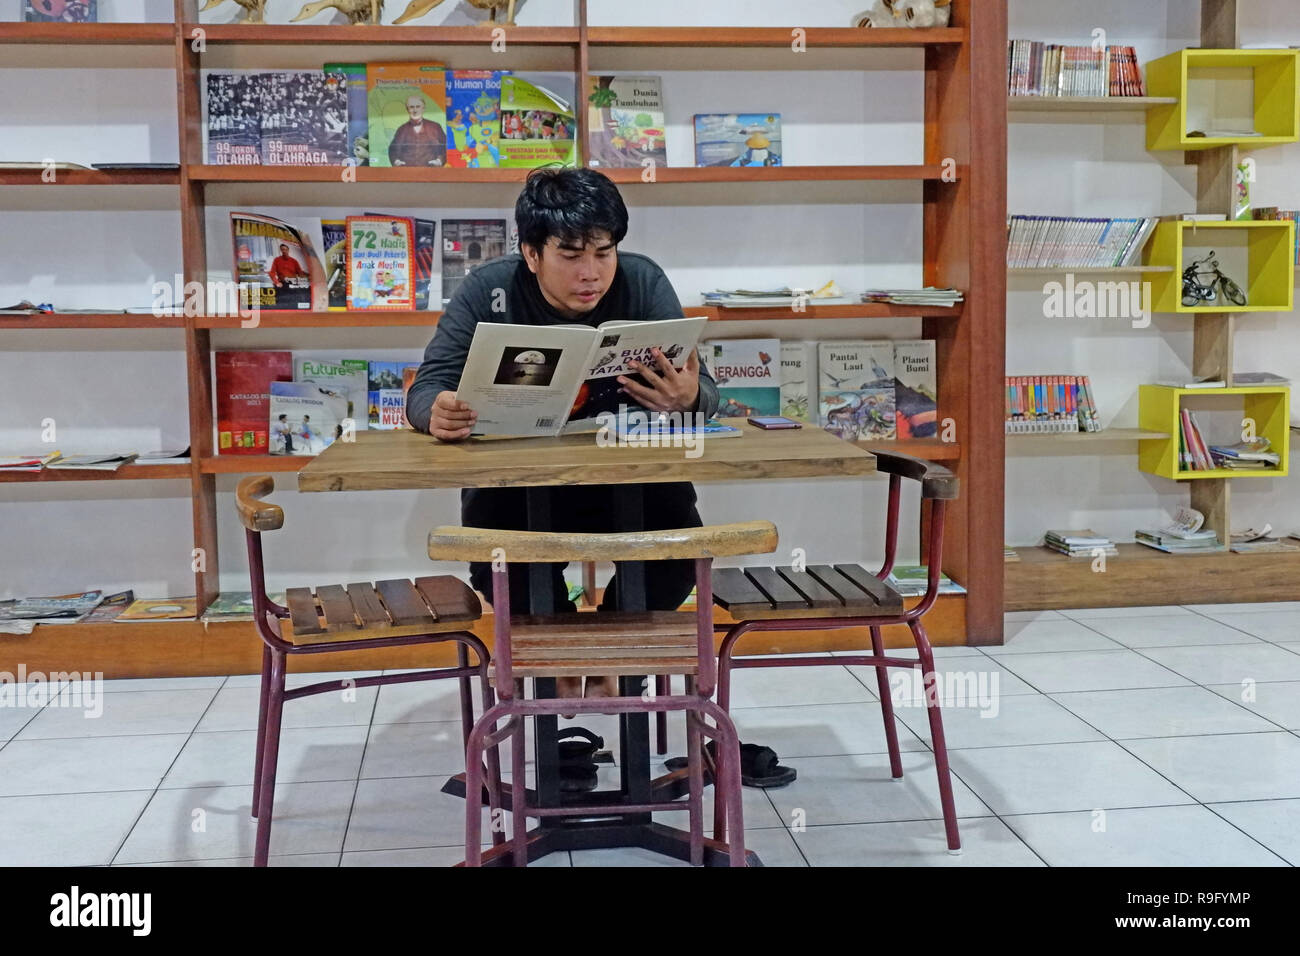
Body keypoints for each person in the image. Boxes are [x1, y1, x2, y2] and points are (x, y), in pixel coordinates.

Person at [407, 168, 719, 704]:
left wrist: (688, 398)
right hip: (517, 490)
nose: (591, 273)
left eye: (604, 251)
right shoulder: (490, 289)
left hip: (634, 482)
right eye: (571, 255)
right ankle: (561, 702)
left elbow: (705, 391)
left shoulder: (642, 281)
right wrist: (433, 412)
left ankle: (608, 671)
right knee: (514, 580)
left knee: (677, 560)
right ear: (531, 254)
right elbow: (428, 385)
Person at [389, 94, 445, 167]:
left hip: (430, 173)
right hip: (407, 173)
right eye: (411, 107)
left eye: (418, 107)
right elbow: (392, 150)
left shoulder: (435, 127)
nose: (415, 110)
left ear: (423, 108)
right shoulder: (401, 129)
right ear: (407, 109)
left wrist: (439, 161)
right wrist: (396, 161)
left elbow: (445, 147)